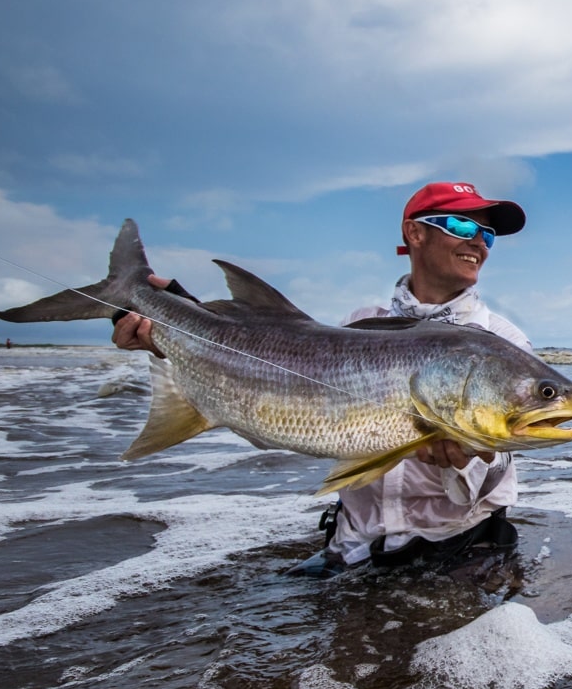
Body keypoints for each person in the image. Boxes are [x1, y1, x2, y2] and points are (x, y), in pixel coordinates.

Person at [112, 181, 533, 579]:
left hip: (458, 547)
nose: (479, 242)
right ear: (414, 233)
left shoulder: (503, 340)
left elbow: (502, 469)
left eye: (489, 235)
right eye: (462, 226)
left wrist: (469, 459)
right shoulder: (359, 324)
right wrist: (185, 328)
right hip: (351, 545)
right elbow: (280, 396)